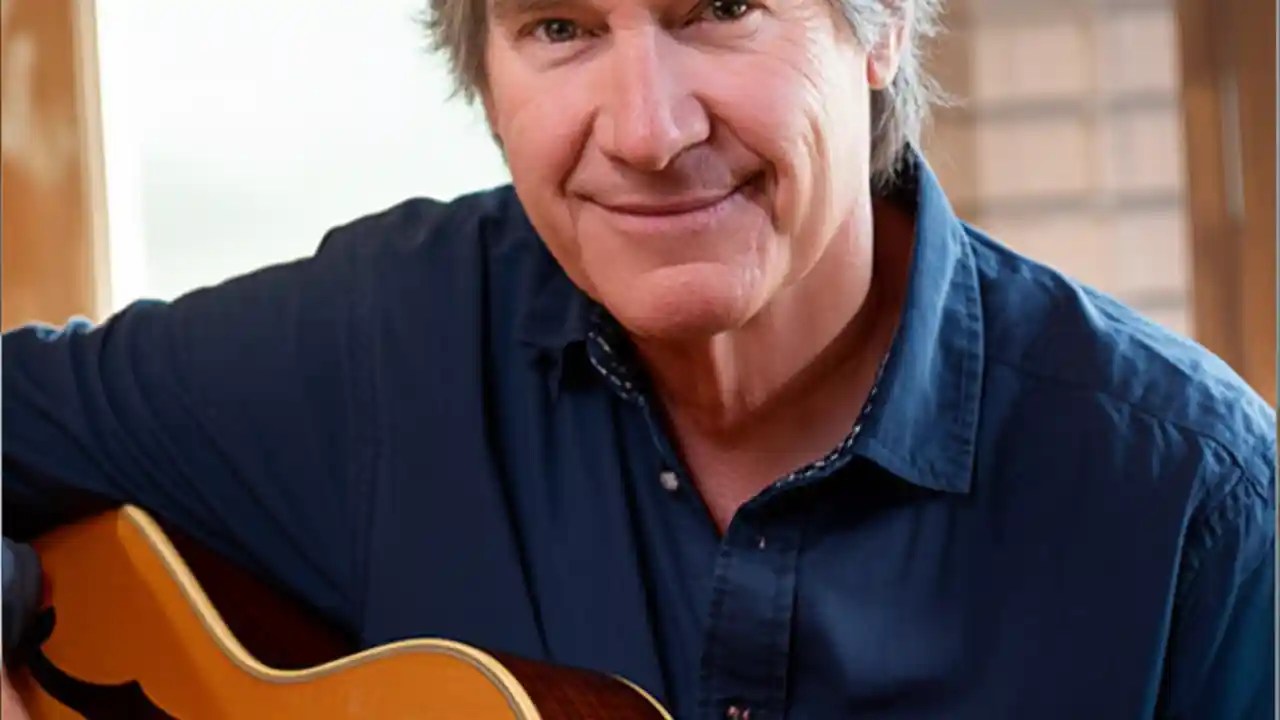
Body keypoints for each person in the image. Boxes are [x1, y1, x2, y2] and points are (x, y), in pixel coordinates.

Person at [2, 0, 1274, 716]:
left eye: (717, 10)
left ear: (875, 31)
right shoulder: (382, 339)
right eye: (559, 28)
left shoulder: (1190, 502)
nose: (648, 131)